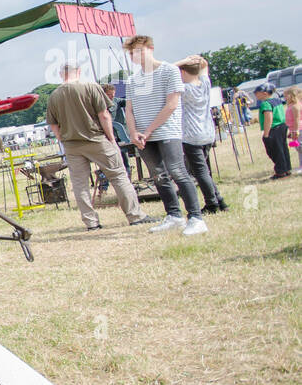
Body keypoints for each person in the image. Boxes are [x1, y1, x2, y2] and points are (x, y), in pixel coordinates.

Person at [45, 63, 151, 230]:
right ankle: (135, 215)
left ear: (61, 74)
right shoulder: (91, 86)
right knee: (118, 176)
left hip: (72, 145)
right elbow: (104, 115)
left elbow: (54, 126)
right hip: (96, 139)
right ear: (78, 72)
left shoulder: (54, 96)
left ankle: (91, 223)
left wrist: (64, 141)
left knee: (80, 184)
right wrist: (111, 138)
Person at [123, 34, 207, 235]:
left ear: (150, 49)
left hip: (167, 130)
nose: (137, 56)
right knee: (159, 176)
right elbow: (129, 109)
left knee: (178, 171)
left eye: (140, 51)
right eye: (133, 53)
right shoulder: (133, 80)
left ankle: (195, 217)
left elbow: (171, 104)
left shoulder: (169, 71)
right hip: (143, 135)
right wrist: (133, 132)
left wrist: (149, 129)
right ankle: (174, 215)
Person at [176, 55, 228, 213]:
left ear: (183, 72)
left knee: (200, 172)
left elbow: (167, 71)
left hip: (192, 135)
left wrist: (183, 60)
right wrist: (198, 60)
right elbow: (205, 66)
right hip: (207, 133)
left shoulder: (184, 89)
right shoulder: (205, 84)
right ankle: (219, 200)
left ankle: (212, 204)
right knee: (203, 170)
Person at [253, 84, 293, 179]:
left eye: (257, 93)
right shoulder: (277, 101)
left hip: (274, 128)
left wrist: (266, 134)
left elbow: (268, 117)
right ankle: (287, 169)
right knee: (283, 149)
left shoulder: (265, 104)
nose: (255, 95)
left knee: (275, 150)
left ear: (264, 93)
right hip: (282, 126)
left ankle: (280, 172)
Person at [284, 86, 302, 173]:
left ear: (292, 95)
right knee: (297, 147)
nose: (284, 97)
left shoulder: (296, 106)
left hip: (299, 129)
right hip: (293, 129)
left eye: (286, 95)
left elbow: (296, 119)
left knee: (300, 147)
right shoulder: (291, 105)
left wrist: (296, 131)